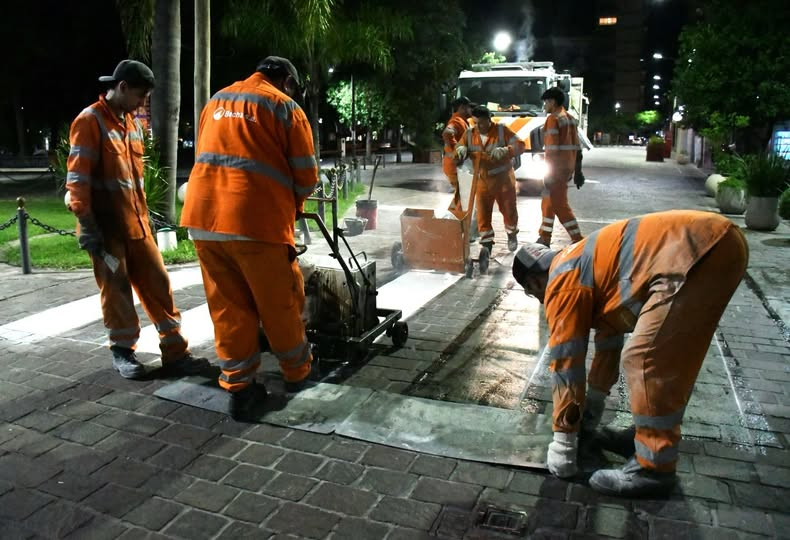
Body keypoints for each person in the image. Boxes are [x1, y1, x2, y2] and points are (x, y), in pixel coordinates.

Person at [512, 210, 748, 497]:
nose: (542, 300)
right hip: (714, 244)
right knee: (665, 354)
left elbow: (566, 365)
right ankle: (645, 439)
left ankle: (653, 468)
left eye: (535, 295)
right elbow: (608, 347)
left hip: (696, 250)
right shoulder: (587, 265)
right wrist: (592, 408)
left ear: (534, 283)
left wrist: (563, 442)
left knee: (646, 358)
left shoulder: (561, 282)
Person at [181, 56, 319, 419]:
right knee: (279, 302)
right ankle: (297, 373)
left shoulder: (216, 100)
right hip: (256, 224)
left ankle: (240, 388)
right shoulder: (285, 107)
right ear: (287, 81)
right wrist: (294, 204)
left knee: (228, 306)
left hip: (204, 220)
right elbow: (306, 175)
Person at [66, 59, 209, 380]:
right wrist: (88, 227)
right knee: (116, 291)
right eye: (140, 96)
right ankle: (123, 352)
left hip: (138, 226)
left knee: (159, 284)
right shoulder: (89, 121)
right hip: (106, 231)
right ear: (122, 88)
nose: (143, 104)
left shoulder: (131, 124)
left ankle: (176, 352)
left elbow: (133, 180)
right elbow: (77, 179)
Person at [455, 105, 525, 253]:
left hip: (503, 181)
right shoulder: (469, 134)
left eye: (481, 123)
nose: (478, 126)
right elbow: (460, 146)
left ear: (488, 120)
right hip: (482, 181)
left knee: (509, 211)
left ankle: (511, 233)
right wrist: (460, 149)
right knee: (482, 215)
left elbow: (520, 145)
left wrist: (507, 150)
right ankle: (486, 245)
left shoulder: (501, 130)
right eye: (475, 122)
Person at [537, 87, 583, 247]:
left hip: (556, 170)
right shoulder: (569, 118)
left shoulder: (553, 119)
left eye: (546, 102)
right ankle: (544, 237)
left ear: (553, 102)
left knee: (559, 205)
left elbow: (551, 149)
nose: (544, 106)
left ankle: (578, 239)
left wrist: (548, 174)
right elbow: (578, 147)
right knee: (548, 202)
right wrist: (578, 171)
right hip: (566, 169)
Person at [441, 96, 473, 219]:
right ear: (462, 108)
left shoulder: (462, 121)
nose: (471, 110)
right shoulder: (457, 121)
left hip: (456, 166)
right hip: (455, 166)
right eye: (469, 107)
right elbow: (447, 133)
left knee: (462, 195)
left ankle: (450, 219)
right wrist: (457, 150)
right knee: (464, 195)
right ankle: (453, 220)